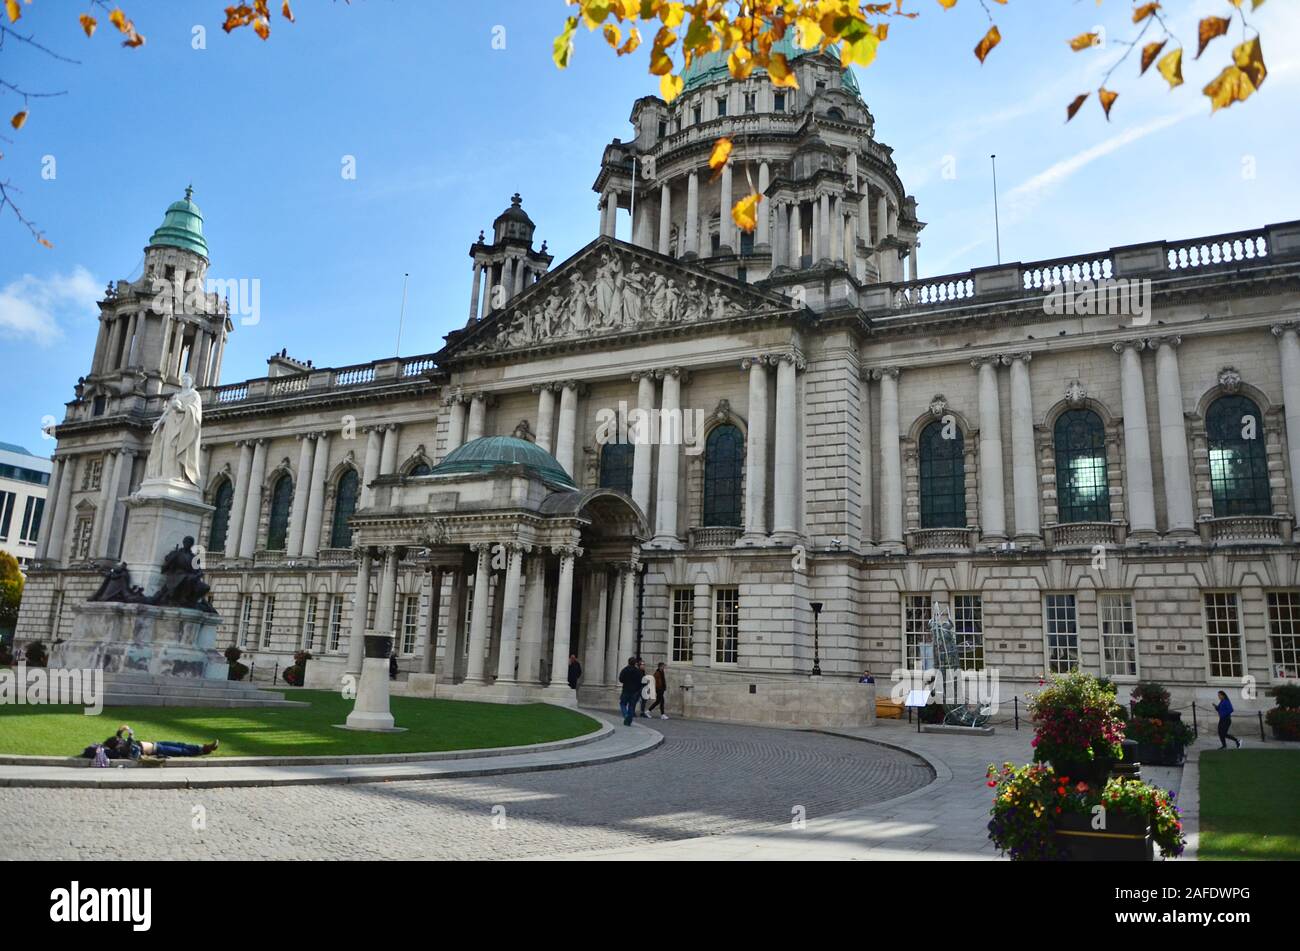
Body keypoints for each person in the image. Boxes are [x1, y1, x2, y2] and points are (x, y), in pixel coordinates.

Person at [85, 725, 219, 760]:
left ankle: (204, 747)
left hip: (156, 743)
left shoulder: (121, 744)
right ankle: (203, 750)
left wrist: (121, 730)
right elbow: (129, 741)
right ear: (117, 744)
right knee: (181, 751)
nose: (121, 739)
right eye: (119, 740)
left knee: (180, 745)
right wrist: (130, 733)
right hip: (156, 750)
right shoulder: (122, 749)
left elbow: (119, 736)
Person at [617, 656, 642, 726]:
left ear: (628, 662)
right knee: (631, 706)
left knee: (622, 704)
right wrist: (637, 689)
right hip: (634, 691)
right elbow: (641, 682)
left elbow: (621, 679)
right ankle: (629, 720)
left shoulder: (625, 670)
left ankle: (626, 715)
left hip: (626, 689)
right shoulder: (638, 671)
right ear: (635, 663)